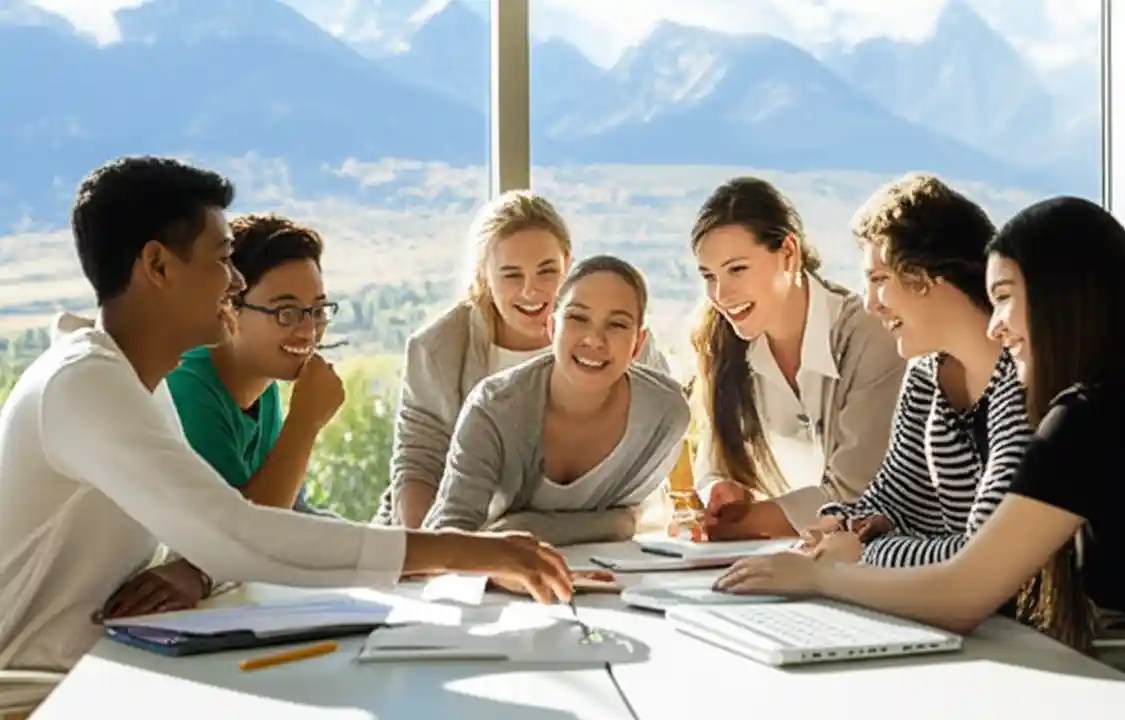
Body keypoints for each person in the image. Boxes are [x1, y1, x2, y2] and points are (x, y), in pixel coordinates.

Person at [0, 157, 572, 675]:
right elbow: (236, 532)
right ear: (157, 265)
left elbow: (220, 535)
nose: (234, 281)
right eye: (222, 259)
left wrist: (199, 568)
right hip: (34, 690)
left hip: (103, 669)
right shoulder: (85, 385)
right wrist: (468, 551)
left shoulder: (134, 383)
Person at [714, 196, 1125, 702]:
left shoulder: (1093, 415)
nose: (995, 327)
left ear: (1063, 296)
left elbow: (965, 591)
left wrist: (825, 574)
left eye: (1004, 298)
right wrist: (849, 537)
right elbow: (899, 502)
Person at [374, 191, 668, 528]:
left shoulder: (621, 342)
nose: (532, 291)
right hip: (459, 531)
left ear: (568, 264)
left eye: (547, 271)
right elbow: (419, 466)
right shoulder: (438, 350)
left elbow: (660, 441)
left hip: (584, 532)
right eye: (512, 275)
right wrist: (429, 549)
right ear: (483, 275)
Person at [802, 174, 1033, 567]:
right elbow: (894, 496)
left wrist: (863, 554)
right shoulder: (927, 375)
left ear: (929, 275)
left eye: (879, 280)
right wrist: (841, 524)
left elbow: (982, 556)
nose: (871, 304)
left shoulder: (1023, 377)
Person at [688, 177, 904, 540]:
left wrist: (744, 523)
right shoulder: (722, 347)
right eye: (710, 276)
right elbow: (712, 470)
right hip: (780, 557)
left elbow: (858, 493)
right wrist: (723, 492)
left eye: (737, 269)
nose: (721, 294)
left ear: (789, 253)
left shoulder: (869, 335)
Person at [424, 255, 689, 546]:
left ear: (638, 344)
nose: (594, 339)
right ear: (552, 328)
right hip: (489, 570)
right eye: (578, 318)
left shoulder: (665, 415)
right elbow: (443, 539)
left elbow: (628, 519)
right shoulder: (494, 407)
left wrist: (526, 527)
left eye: (617, 324)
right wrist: (610, 525)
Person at [166, 213, 342, 515]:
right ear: (228, 307)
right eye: (286, 312)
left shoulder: (264, 386)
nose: (308, 331)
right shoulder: (188, 390)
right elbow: (245, 533)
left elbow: (291, 511)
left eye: (317, 311)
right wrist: (304, 422)